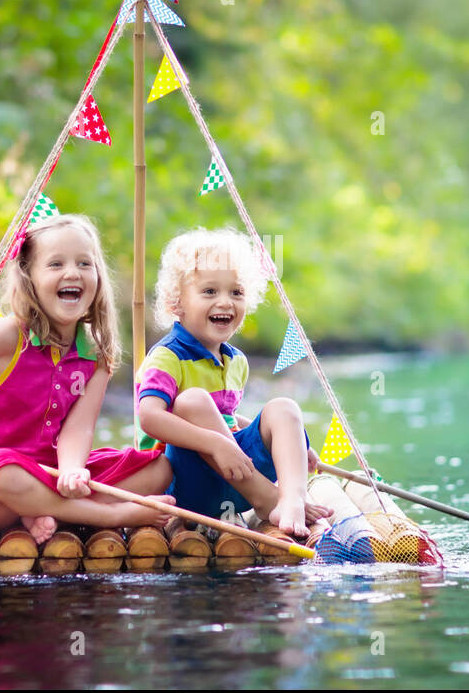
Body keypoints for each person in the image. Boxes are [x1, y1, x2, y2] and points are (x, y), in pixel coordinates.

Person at [0, 214, 173, 544]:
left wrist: (70, 471)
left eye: (84, 263)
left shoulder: (95, 353)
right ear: (28, 278)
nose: (72, 272)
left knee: (159, 467)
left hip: (49, 474)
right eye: (55, 264)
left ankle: (51, 509)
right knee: (5, 473)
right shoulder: (5, 336)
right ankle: (107, 514)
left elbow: (78, 428)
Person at [135, 227, 331, 538]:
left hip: (235, 479)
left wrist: (289, 444)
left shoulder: (236, 361)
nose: (225, 302)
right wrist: (216, 443)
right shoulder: (166, 357)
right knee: (192, 401)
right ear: (177, 303)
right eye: (210, 292)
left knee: (283, 407)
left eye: (236, 292)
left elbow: (227, 421)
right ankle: (269, 500)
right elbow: (149, 418)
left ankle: (292, 496)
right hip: (187, 483)